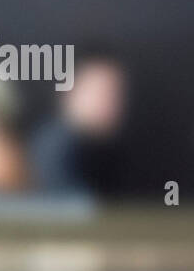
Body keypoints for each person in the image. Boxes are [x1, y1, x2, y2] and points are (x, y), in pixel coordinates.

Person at [28, 50, 128, 197]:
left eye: (115, 94)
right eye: (99, 92)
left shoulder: (91, 152)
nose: (108, 103)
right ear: (68, 92)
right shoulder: (53, 148)